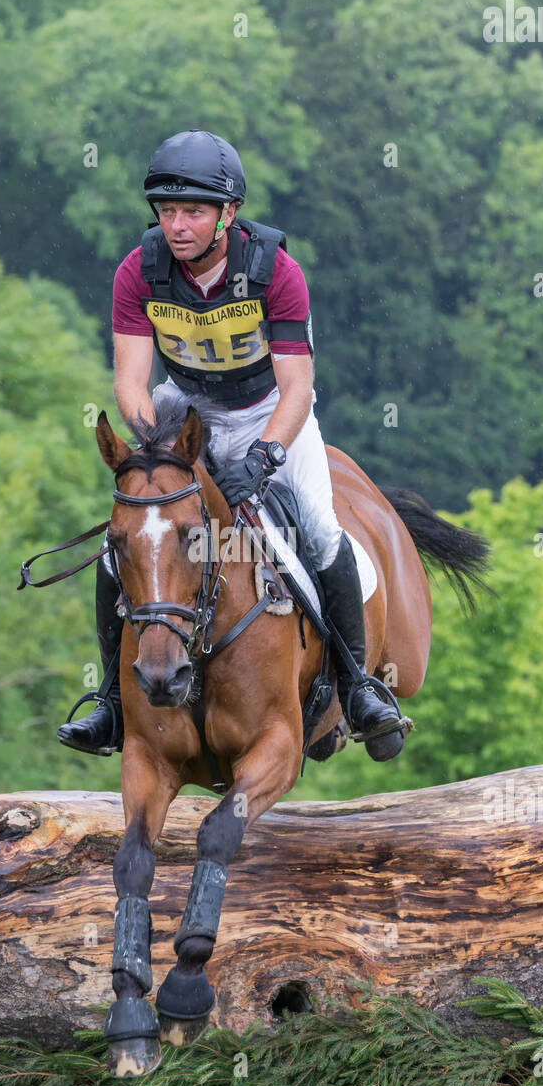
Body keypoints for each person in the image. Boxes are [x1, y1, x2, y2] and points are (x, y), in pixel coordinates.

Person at [57, 129, 402, 757]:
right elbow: (131, 384)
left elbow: (298, 387)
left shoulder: (276, 272)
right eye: (167, 212)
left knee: (320, 530)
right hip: (181, 409)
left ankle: (358, 687)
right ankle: (110, 702)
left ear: (228, 214)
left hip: (270, 411)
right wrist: (153, 442)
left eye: (193, 212)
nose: (177, 225)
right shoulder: (139, 271)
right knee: (124, 548)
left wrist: (265, 455)